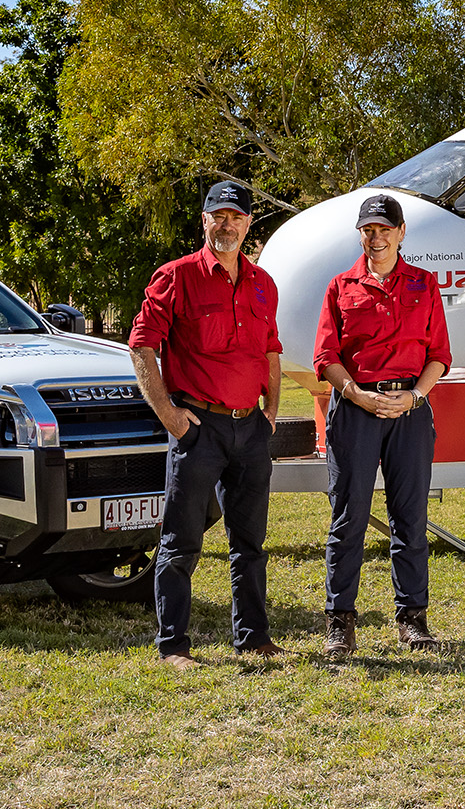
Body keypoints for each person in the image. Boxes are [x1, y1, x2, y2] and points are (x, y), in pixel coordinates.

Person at [128, 181, 288, 668]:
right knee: (181, 544)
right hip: (199, 429)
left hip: (250, 430)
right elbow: (141, 345)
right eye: (218, 216)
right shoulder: (175, 277)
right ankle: (173, 646)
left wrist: (271, 412)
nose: (227, 225)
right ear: (204, 221)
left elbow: (271, 350)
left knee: (251, 544)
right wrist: (171, 418)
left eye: (236, 217)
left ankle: (254, 637)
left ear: (248, 225)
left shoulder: (263, 282)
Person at [312, 193, 452, 657]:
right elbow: (326, 357)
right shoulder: (340, 286)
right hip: (355, 408)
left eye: (384, 229)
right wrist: (358, 396)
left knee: (410, 518)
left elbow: (439, 356)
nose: (375, 237)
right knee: (348, 517)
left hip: (409, 409)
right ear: (360, 234)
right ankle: (340, 622)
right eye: (368, 230)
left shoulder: (424, 284)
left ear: (401, 232)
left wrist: (413, 396)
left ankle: (412, 620)